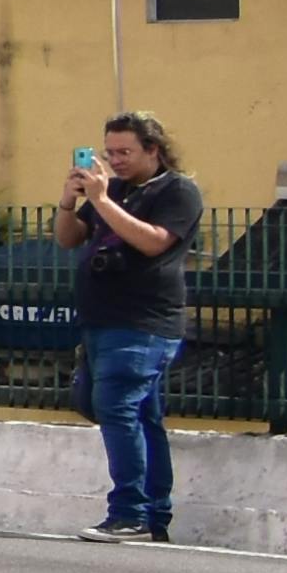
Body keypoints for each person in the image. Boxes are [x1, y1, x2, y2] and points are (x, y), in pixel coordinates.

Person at [62, 109, 200, 543]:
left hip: (144, 323)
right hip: (101, 321)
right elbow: (68, 237)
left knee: (116, 408)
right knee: (135, 415)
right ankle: (154, 514)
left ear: (153, 150)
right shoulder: (114, 189)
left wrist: (102, 201)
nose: (115, 161)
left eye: (125, 152)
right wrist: (69, 201)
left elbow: (153, 241)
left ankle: (129, 513)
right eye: (109, 152)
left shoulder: (178, 191)